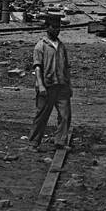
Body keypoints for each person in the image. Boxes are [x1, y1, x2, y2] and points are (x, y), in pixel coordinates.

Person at [30, 13, 72, 151]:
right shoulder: (40, 46)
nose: (57, 30)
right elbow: (37, 67)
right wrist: (40, 85)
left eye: (58, 27)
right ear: (47, 28)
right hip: (47, 86)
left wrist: (69, 85)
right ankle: (34, 142)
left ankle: (60, 141)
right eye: (54, 27)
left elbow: (66, 67)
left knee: (65, 115)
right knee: (42, 116)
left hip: (61, 85)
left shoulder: (61, 46)